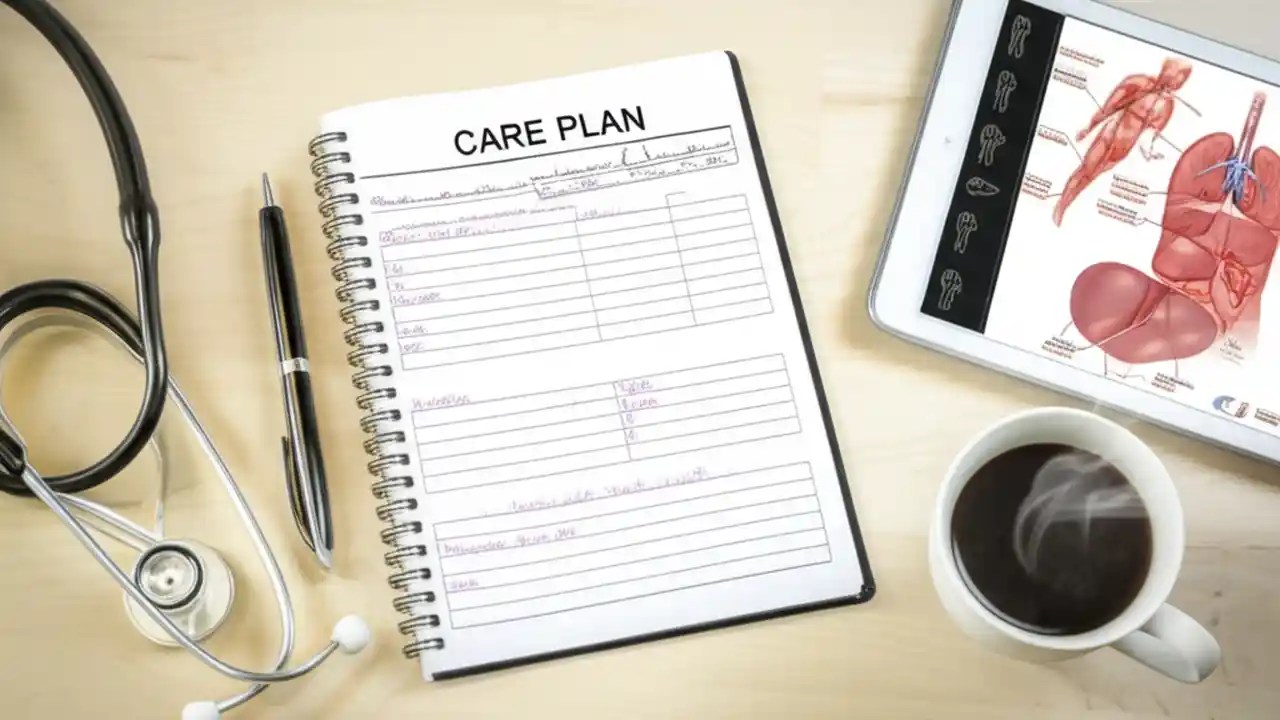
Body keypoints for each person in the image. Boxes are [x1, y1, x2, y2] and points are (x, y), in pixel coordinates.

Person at [1053, 58, 1194, 226]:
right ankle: (1061, 205)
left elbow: (1150, 134)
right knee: (1086, 170)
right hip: (1110, 134)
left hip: (1124, 147)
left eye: (1182, 79)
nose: (1178, 83)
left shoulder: (1167, 105)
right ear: (1167, 71)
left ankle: (1064, 205)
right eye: (1177, 76)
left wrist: (1149, 152)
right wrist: (1089, 128)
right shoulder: (1139, 82)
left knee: (1091, 176)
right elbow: (1109, 106)